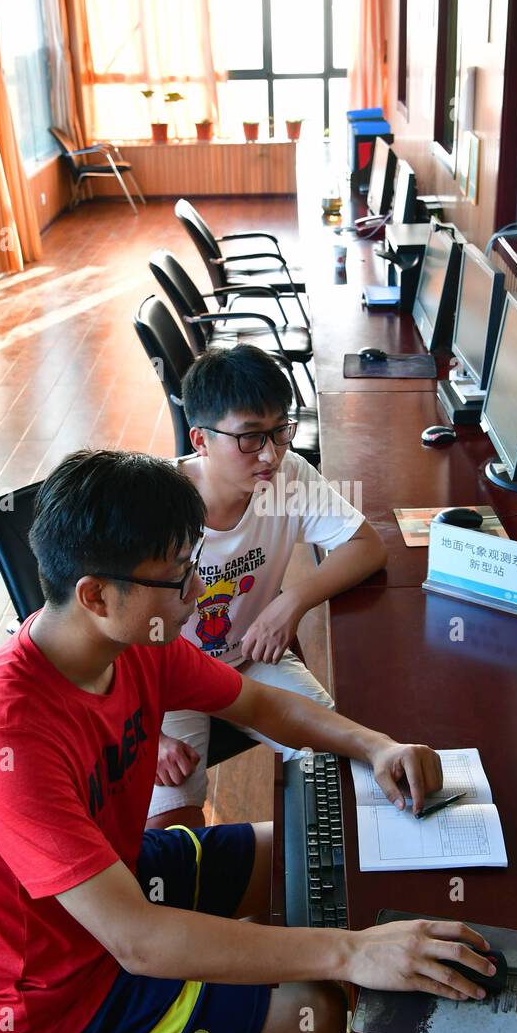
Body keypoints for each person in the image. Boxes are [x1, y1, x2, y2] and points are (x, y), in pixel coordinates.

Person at [0, 449, 496, 1033]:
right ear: (95, 596)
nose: (197, 590)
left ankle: (244, 1022)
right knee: (313, 1015)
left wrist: (375, 745)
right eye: (177, 577)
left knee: (288, 846)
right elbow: (138, 942)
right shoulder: (7, 736)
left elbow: (262, 702)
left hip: (117, 882)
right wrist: (349, 955)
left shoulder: (136, 639)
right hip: (53, 1002)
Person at [148, 344, 387, 831]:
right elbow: (103, 632)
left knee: (343, 759)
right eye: (250, 438)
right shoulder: (156, 505)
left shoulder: (286, 477)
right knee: (171, 838)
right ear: (200, 439)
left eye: (281, 430)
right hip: (164, 683)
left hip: (250, 661)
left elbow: (367, 546)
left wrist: (293, 601)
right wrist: (145, 733)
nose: (271, 454)